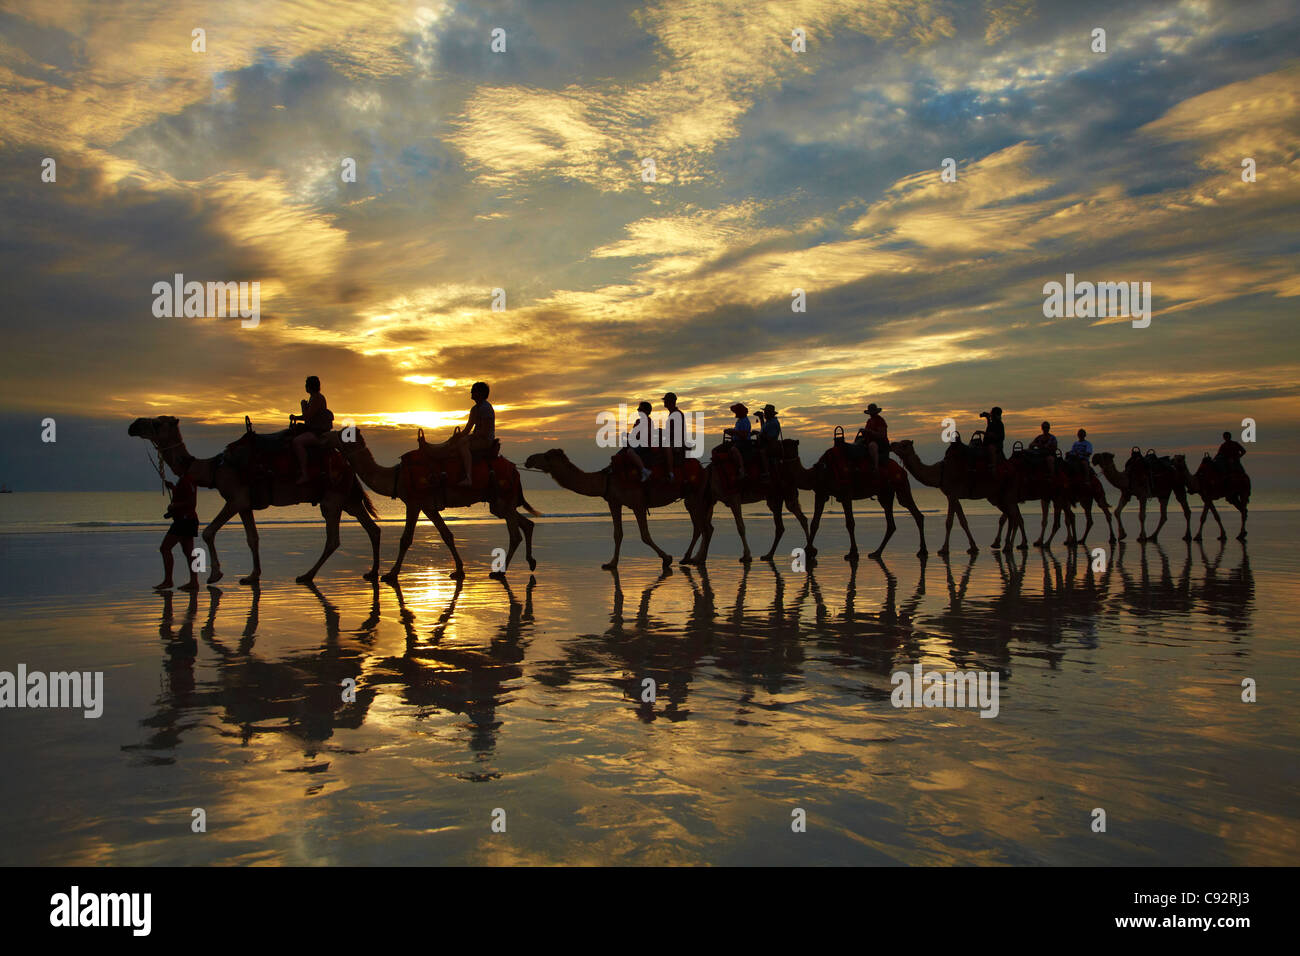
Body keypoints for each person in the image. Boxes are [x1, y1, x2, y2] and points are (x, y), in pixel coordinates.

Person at [155, 470, 200, 591]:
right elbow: (185, 496)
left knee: (165, 548)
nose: (173, 468)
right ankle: (194, 582)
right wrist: (173, 488)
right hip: (187, 520)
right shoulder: (185, 479)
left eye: (175, 466)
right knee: (189, 552)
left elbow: (191, 502)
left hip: (184, 521)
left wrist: (174, 506)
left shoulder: (187, 479)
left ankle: (168, 580)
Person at [290, 376, 333, 484]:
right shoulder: (314, 398)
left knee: (297, 442)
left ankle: (305, 474)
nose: (305, 386)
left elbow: (308, 417)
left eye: (306, 384)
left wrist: (303, 406)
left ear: (310, 386)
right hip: (314, 430)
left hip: (318, 433)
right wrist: (296, 417)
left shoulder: (317, 398)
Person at [454, 381, 496, 487]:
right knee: (456, 442)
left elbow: (485, 431)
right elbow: (467, 429)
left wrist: (467, 438)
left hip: (485, 440)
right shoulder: (474, 409)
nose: (471, 392)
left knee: (463, 445)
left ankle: (468, 478)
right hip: (476, 438)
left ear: (481, 393)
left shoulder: (486, 408)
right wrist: (458, 436)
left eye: (474, 390)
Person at [624, 401, 654, 482]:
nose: (638, 410)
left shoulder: (648, 421)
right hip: (637, 444)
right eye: (638, 409)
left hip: (645, 445)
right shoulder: (638, 421)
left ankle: (644, 471)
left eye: (640, 409)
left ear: (646, 411)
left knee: (630, 451)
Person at [855, 403, 888, 471]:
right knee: (858, 444)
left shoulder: (880, 421)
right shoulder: (869, 421)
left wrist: (870, 432)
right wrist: (864, 432)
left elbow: (882, 435)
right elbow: (867, 432)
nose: (871, 414)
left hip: (880, 442)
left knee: (872, 446)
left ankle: (876, 466)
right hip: (869, 440)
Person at [661, 393, 686, 482]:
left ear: (671, 402)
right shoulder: (672, 414)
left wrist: (662, 432)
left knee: (667, 448)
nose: (664, 402)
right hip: (672, 440)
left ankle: (671, 474)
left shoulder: (677, 414)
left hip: (677, 442)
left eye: (665, 400)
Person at [724, 402, 752, 479]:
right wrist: (730, 432)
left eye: (736, 411)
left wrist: (733, 432)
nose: (735, 413)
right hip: (737, 441)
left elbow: (744, 435)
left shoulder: (745, 421)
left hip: (744, 442)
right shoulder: (740, 421)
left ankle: (742, 469)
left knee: (734, 449)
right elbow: (738, 433)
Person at [757, 404, 781, 480]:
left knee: (762, 452)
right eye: (764, 412)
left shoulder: (773, 423)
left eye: (766, 413)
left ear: (770, 413)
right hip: (766, 444)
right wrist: (761, 418)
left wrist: (760, 435)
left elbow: (771, 438)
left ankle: (767, 472)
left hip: (770, 446)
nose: (764, 414)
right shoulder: (769, 422)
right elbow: (764, 430)